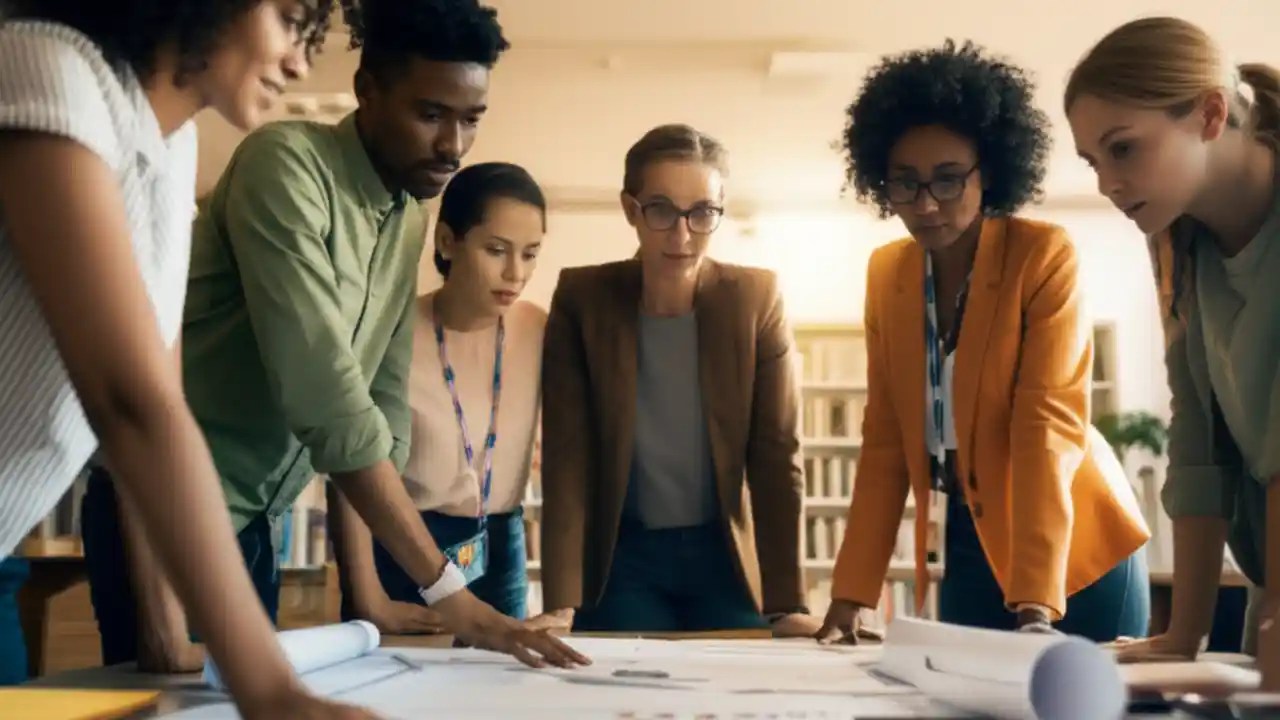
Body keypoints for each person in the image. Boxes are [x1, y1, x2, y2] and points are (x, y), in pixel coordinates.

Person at [79, 0, 588, 672]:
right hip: (164, 516)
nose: (454, 146)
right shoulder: (284, 167)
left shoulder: (408, 215)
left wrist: (369, 595)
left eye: (470, 119)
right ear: (367, 89)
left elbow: (378, 405)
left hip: (256, 522)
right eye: (430, 113)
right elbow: (326, 397)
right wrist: (450, 592)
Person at [0, 0, 392, 717]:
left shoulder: (172, 149)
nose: (301, 61)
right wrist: (270, 690)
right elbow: (129, 406)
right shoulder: (47, 69)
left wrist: (166, 631)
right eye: (286, 17)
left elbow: (162, 403)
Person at [818, 40, 1151, 644]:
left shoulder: (1042, 256)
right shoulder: (887, 273)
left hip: (1073, 544)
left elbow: (1045, 429)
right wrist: (851, 593)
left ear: (989, 172)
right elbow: (887, 438)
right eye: (905, 183)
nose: (925, 204)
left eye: (948, 180)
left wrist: (1033, 605)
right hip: (970, 539)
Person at [537, 123, 819, 636]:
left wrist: (787, 602)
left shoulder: (756, 298)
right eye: (661, 210)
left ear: (719, 210)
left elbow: (778, 456)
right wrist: (561, 601)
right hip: (624, 562)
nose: (682, 234)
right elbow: (566, 458)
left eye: (702, 213)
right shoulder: (584, 297)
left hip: (726, 557)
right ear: (631, 210)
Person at [1065, 16, 1280, 688]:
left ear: (1210, 114)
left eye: (1122, 149)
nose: (1107, 182)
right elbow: (1196, 442)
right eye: (1092, 162)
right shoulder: (1176, 245)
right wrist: (1183, 635)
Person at [368, 162, 547, 623]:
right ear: (447, 241)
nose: (515, 272)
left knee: (500, 688)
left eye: (530, 254)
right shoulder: (393, 331)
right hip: (410, 543)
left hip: (501, 542)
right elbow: (352, 470)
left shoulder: (539, 330)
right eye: (496, 250)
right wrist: (366, 596)